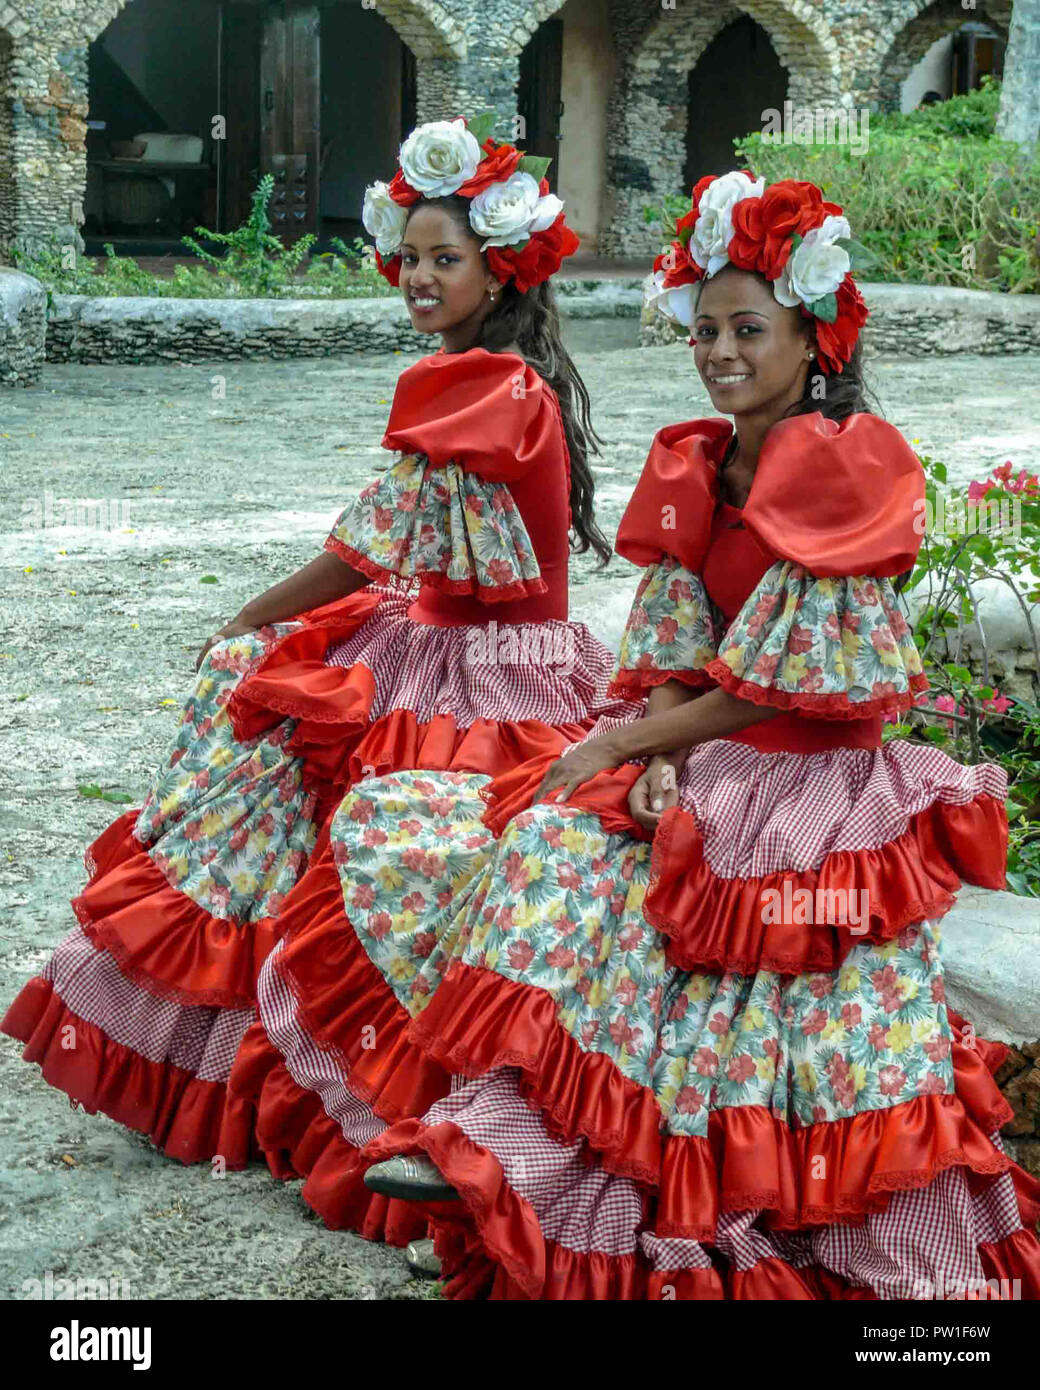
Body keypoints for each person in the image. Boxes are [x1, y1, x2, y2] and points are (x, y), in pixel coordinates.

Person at [287, 170, 1039, 1298]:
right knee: (535, 848)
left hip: (822, 803)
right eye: (703, 330)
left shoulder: (840, 461)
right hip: (723, 760)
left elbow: (792, 687)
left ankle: (701, 1193)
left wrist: (626, 749)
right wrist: (656, 748)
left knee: (724, 952)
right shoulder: (703, 459)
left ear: (810, 335)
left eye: (747, 329)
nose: (718, 351)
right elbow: (684, 653)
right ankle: (500, 1144)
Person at [1, 113, 639, 1183]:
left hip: (478, 673)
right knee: (290, 805)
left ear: (502, 269)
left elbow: (363, 549)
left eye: (447, 260)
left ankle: (365, 1097)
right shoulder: (495, 374)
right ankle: (248, 1065)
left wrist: (249, 614)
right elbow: (402, 556)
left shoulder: (481, 385)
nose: (419, 277)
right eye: (411, 258)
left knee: (346, 840)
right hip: (459, 645)